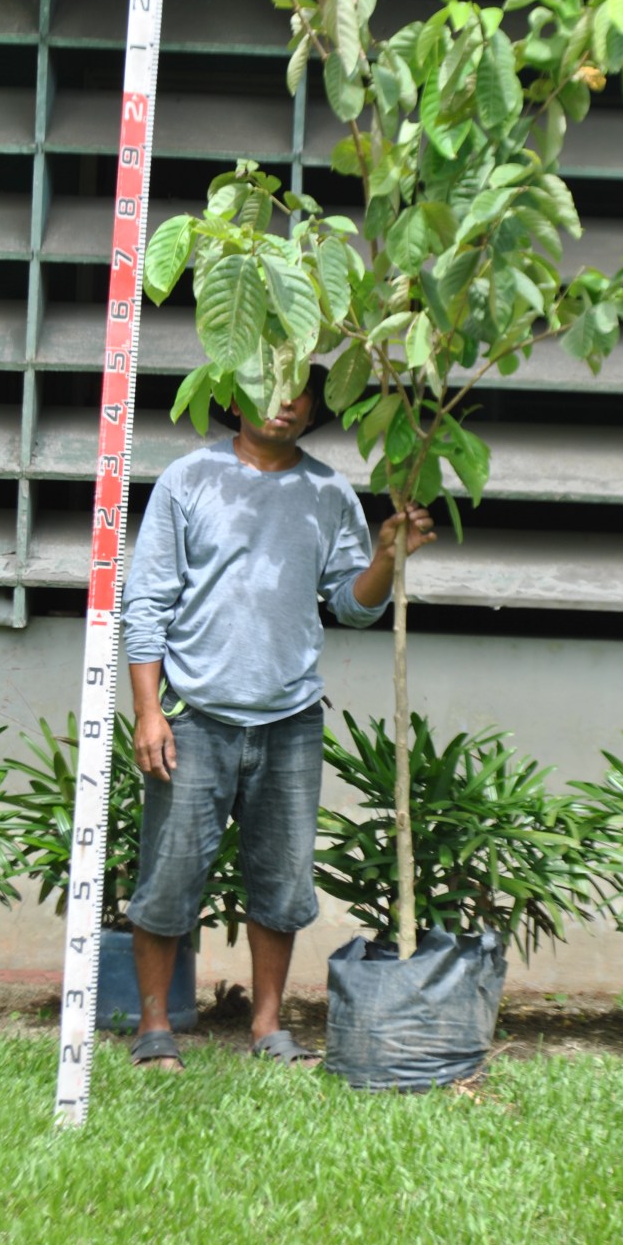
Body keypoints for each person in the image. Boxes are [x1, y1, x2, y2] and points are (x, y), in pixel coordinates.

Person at [121, 366, 436, 1070]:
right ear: (232, 396)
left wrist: (386, 559)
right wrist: (147, 710)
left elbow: (354, 605)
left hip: (290, 719)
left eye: (299, 390)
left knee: (283, 879)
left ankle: (267, 1027)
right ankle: (155, 1028)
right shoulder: (187, 480)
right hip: (194, 714)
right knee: (170, 874)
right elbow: (144, 605)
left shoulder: (327, 492)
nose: (285, 402)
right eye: (269, 386)